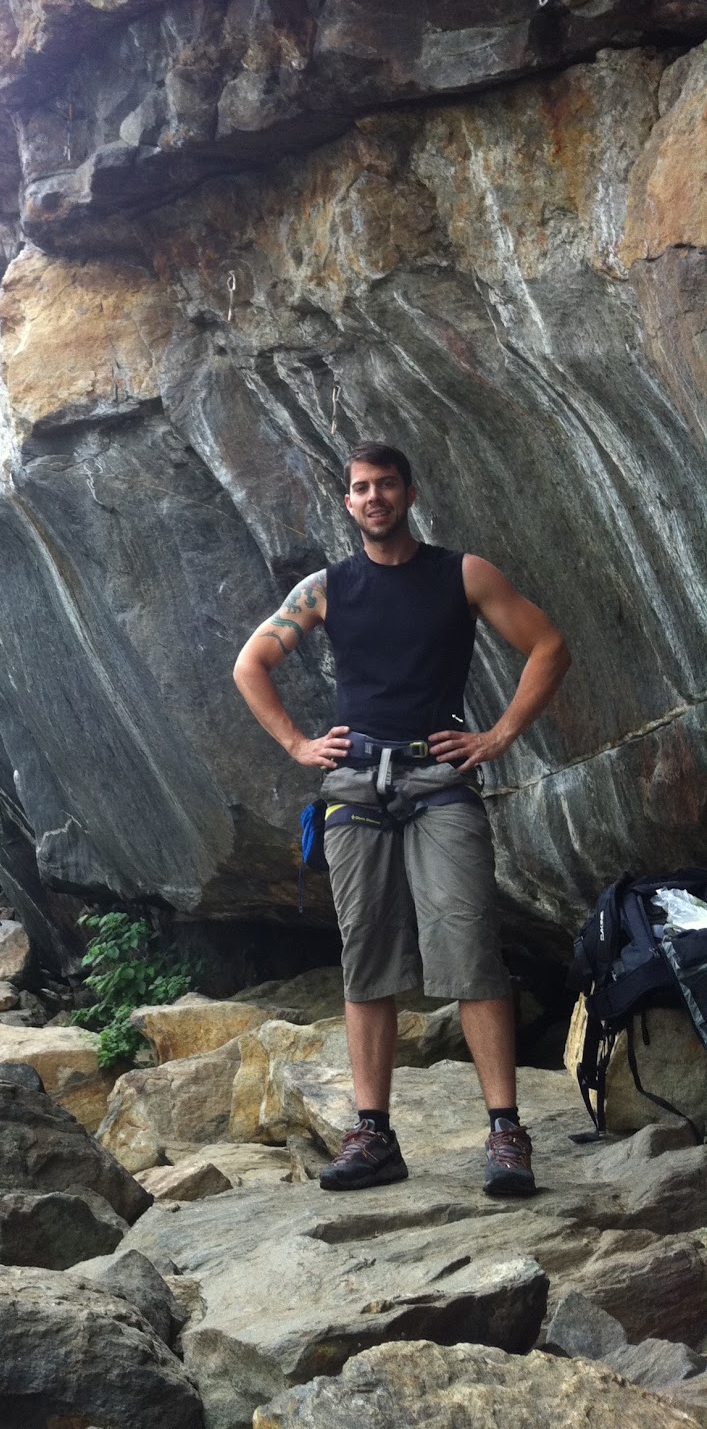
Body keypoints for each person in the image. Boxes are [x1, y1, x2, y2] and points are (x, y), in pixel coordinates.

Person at [233, 441, 570, 1198]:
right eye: (360, 489)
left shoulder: (461, 574)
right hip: (354, 788)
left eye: (386, 484)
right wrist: (295, 742)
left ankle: (505, 1133)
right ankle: (374, 1136)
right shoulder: (326, 590)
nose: (374, 497)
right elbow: (249, 663)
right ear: (347, 504)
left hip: (436, 777)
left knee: (469, 942)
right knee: (366, 957)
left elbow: (547, 645)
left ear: (408, 494)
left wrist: (498, 734)